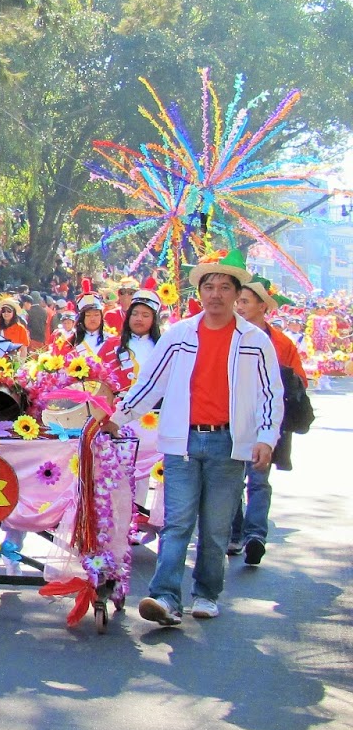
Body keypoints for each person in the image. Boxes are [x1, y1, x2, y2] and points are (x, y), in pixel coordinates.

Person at [113, 250, 283, 625]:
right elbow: (149, 384)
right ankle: (165, 597)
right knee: (176, 522)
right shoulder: (179, 334)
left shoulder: (255, 340)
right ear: (199, 293)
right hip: (182, 442)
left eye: (225, 287)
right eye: (210, 286)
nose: (216, 294)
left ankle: (206, 593)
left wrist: (266, 438)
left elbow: (271, 394)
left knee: (217, 526)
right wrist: (117, 418)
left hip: (229, 443)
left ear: (236, 295)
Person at [228, 275, 306, 567]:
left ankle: (255, 536)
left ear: (263, 306)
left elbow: (300, 382)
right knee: (233, 480)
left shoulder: (282, 343)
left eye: (245, 301)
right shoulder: (228, 334)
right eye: (239, 301)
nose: (240, 306)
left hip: (265, 422)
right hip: (232, 420)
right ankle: (234, 533)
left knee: (259, 480)